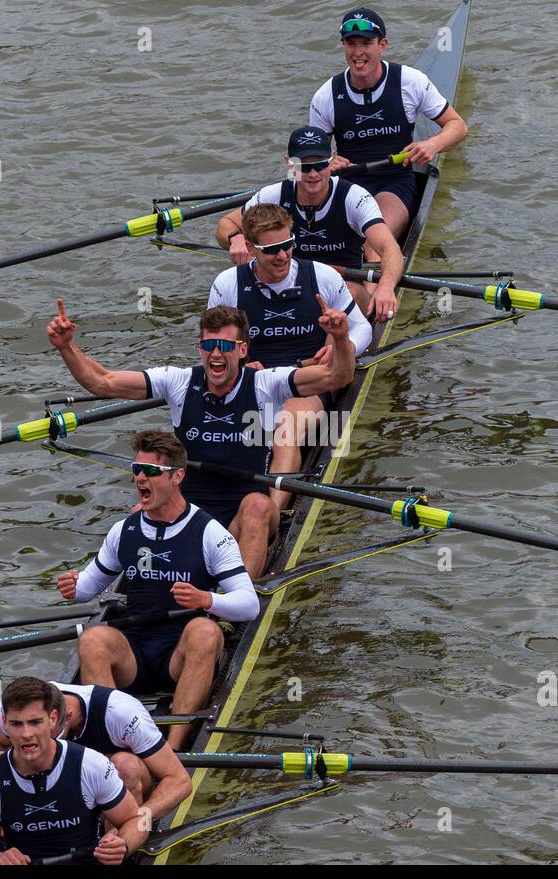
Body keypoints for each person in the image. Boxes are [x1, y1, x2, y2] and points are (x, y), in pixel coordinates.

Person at [47, 303, 355, 576]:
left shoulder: (264, 384)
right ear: (200, 349)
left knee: (258, 506)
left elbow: (335, 377)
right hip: (189, 514)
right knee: (139, 514)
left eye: (225, 345)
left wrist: (340, 338)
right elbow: (103, 382)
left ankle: (237, 607)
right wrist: (66, 348)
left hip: (242, 517)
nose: (216, 353)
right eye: (209, 345)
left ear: (243, 350)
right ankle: (140, 591)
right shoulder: (179, 382)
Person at [55, 430, 260, 750]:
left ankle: (173, 750)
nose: (140, 478)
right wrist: (73, 586)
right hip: (133, 653)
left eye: (151, 471)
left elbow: (249, 605)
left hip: (181, 656)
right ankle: (115, 750)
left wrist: (207, 598)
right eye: (137, 470)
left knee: (206, 632)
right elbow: (88, 587)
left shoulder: (209, 533)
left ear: (177, 476)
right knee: (93, 639)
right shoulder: (124, 531)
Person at [207, 204, 369, 510]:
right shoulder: (228, 284)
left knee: (284, 430)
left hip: (309, 380)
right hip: (256, 381)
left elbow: (363, 329)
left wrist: (340, 343)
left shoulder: (320, 276)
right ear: (252, 248)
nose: (282, 256)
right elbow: (212, 346)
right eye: (272, 250)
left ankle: (271, 518)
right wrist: (236, 366)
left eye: (287, 245)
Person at [309, 8, 468, 239]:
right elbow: (304, 162)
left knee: (373, 240)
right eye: (351, 44)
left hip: (394, 182)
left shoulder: (410, 82)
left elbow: (458, 126)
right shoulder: (326, 96)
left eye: (366, 43)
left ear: (382, 45)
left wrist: (433, 144)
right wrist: (327, 161)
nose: (358, 52)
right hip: (348, 185)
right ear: (343, 46)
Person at [214, 126, 403, 320]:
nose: (313, 174)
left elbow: (389, 247)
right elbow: (227, 223)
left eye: (320, 165)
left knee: (350, 293)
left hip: (343, 286)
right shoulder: (274, 195)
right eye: (303, 166)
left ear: (332, 159)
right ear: (289, 163)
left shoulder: (354, 197)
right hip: (286, 285)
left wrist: (387, 286)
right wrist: (235, 238)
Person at [0, 677, 144, 865]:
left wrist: (123, 844)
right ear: (5, 722)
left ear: (52, 719)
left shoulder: (90, 764)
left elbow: (136, 820)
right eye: (17, 724)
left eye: (35, 722)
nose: (26, 734)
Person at [0, 680, 191, 819]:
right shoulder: (14, 712)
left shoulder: (121, 714)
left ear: (62, 717)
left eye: (48, 737)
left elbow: (179, 781)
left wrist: (139, 820)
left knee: (125, 766)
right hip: (77, 781)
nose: (29, 733)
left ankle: (118, 837)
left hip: (125, 785)